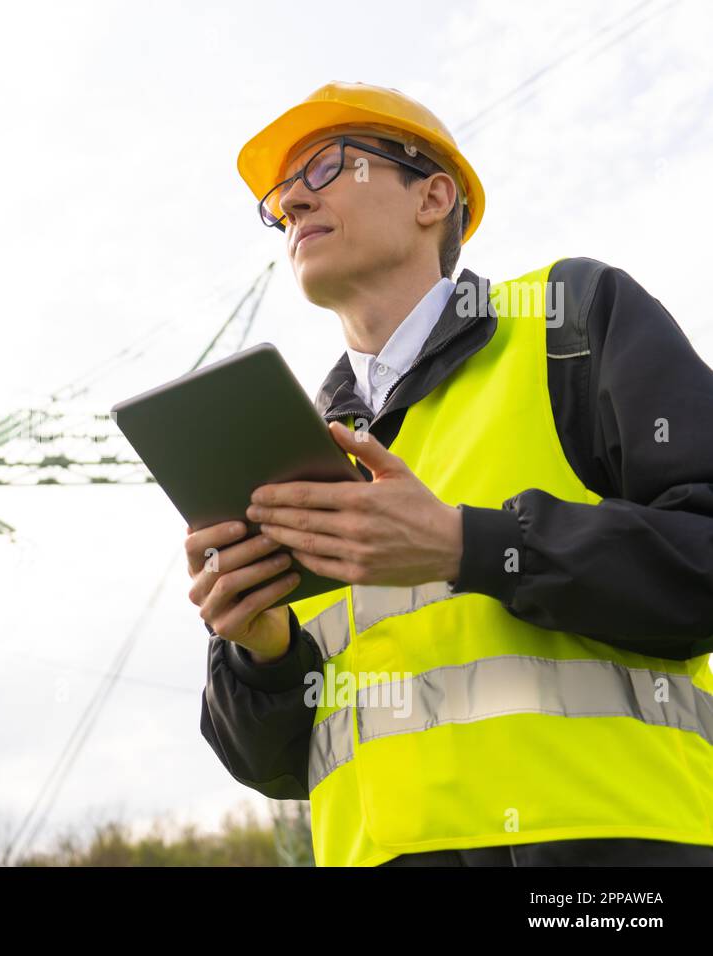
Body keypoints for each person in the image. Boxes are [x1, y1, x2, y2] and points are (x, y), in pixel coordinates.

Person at [193, 81, 713, 867]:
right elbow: (274, 767)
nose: (292, 200)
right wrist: (259, 654)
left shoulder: (569, 320)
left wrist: (471, 545)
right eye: (279, 197)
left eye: (327, 165)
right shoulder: (290, 452)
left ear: (433, 195)